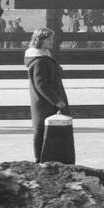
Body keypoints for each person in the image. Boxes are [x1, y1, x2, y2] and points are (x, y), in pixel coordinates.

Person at [24, 28, 69, 162]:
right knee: (42, 130)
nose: (51, 41)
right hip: (45, 103)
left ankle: (47, 159)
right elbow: (41, 85)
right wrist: (56, 101)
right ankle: (41, 160)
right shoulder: (39, 60)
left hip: (45, 101)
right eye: (48, 39)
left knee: (46, 130)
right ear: (40, 40)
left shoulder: (44, 56)